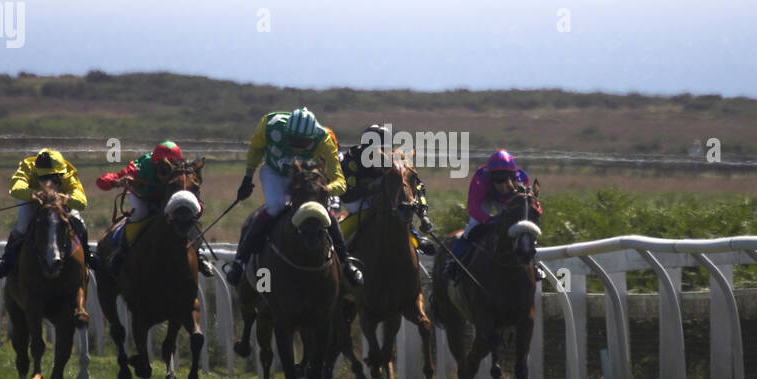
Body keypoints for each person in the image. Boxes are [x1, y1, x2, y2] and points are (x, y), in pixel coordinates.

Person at [224, 107, 362, 288]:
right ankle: (240, 262)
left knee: (323, 212)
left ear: (313, 137)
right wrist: (247, 177)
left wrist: (322, 189)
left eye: (303, 143)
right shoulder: (270, 125)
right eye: (293, 141)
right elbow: (256, 149)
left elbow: (340, 183)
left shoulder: (324, 139)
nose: (297, 147)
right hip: (274, 172)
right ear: (285, 132)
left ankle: (345, 262)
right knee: (275, 205)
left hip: (305, 178)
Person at [96, 141, 209, 276]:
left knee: (189, 218)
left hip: (165, 200)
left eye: (170, 169)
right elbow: (101, 181)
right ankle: (121, 251)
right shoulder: (138, 168)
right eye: (163, 169)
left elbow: (197, 207)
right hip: (143, 198)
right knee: (139, 213)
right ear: (154, 164)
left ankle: (198, 253)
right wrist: (115, 182)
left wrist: (194, 209)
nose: (166, 174)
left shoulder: (181, 174)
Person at [0, 148, 93, 278]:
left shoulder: (68, 174)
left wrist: (61, 197)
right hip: (33, 200)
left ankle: (87, 255)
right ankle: (7, 259)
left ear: (61, 174)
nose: (49, 182)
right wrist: (34, 194)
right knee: (23, 224)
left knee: (79, 223)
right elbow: (16, 188)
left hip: (60, 204)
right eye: (44, 178)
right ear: (36, 173)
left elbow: (81, 202)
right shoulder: (27, 168)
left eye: (54, 178)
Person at [338, 123, 435, 253]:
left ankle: (414, 237)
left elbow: (417, 187)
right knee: (369, 209)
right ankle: (340, 242)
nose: (380, 154)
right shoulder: (351, 159)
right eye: (374, 149)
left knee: (400, 204)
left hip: (384, 194)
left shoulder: (396, 159)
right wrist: (369, 188)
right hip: (356, 199)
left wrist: (423, 215)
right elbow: (346, 194)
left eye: (384, 149)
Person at [442, 148, 532, 282]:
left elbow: (530, 206)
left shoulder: (522, 179)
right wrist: (489, 220)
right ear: (490, 179)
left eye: (505, 182)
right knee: (472, 228)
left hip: (510, 199)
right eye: (498, 182)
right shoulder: (481, 178)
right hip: (487, 198)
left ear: (513, 178)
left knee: (523, 230)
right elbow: (473, 207)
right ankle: (453, 263)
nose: (502, 187)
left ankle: (533, 265)